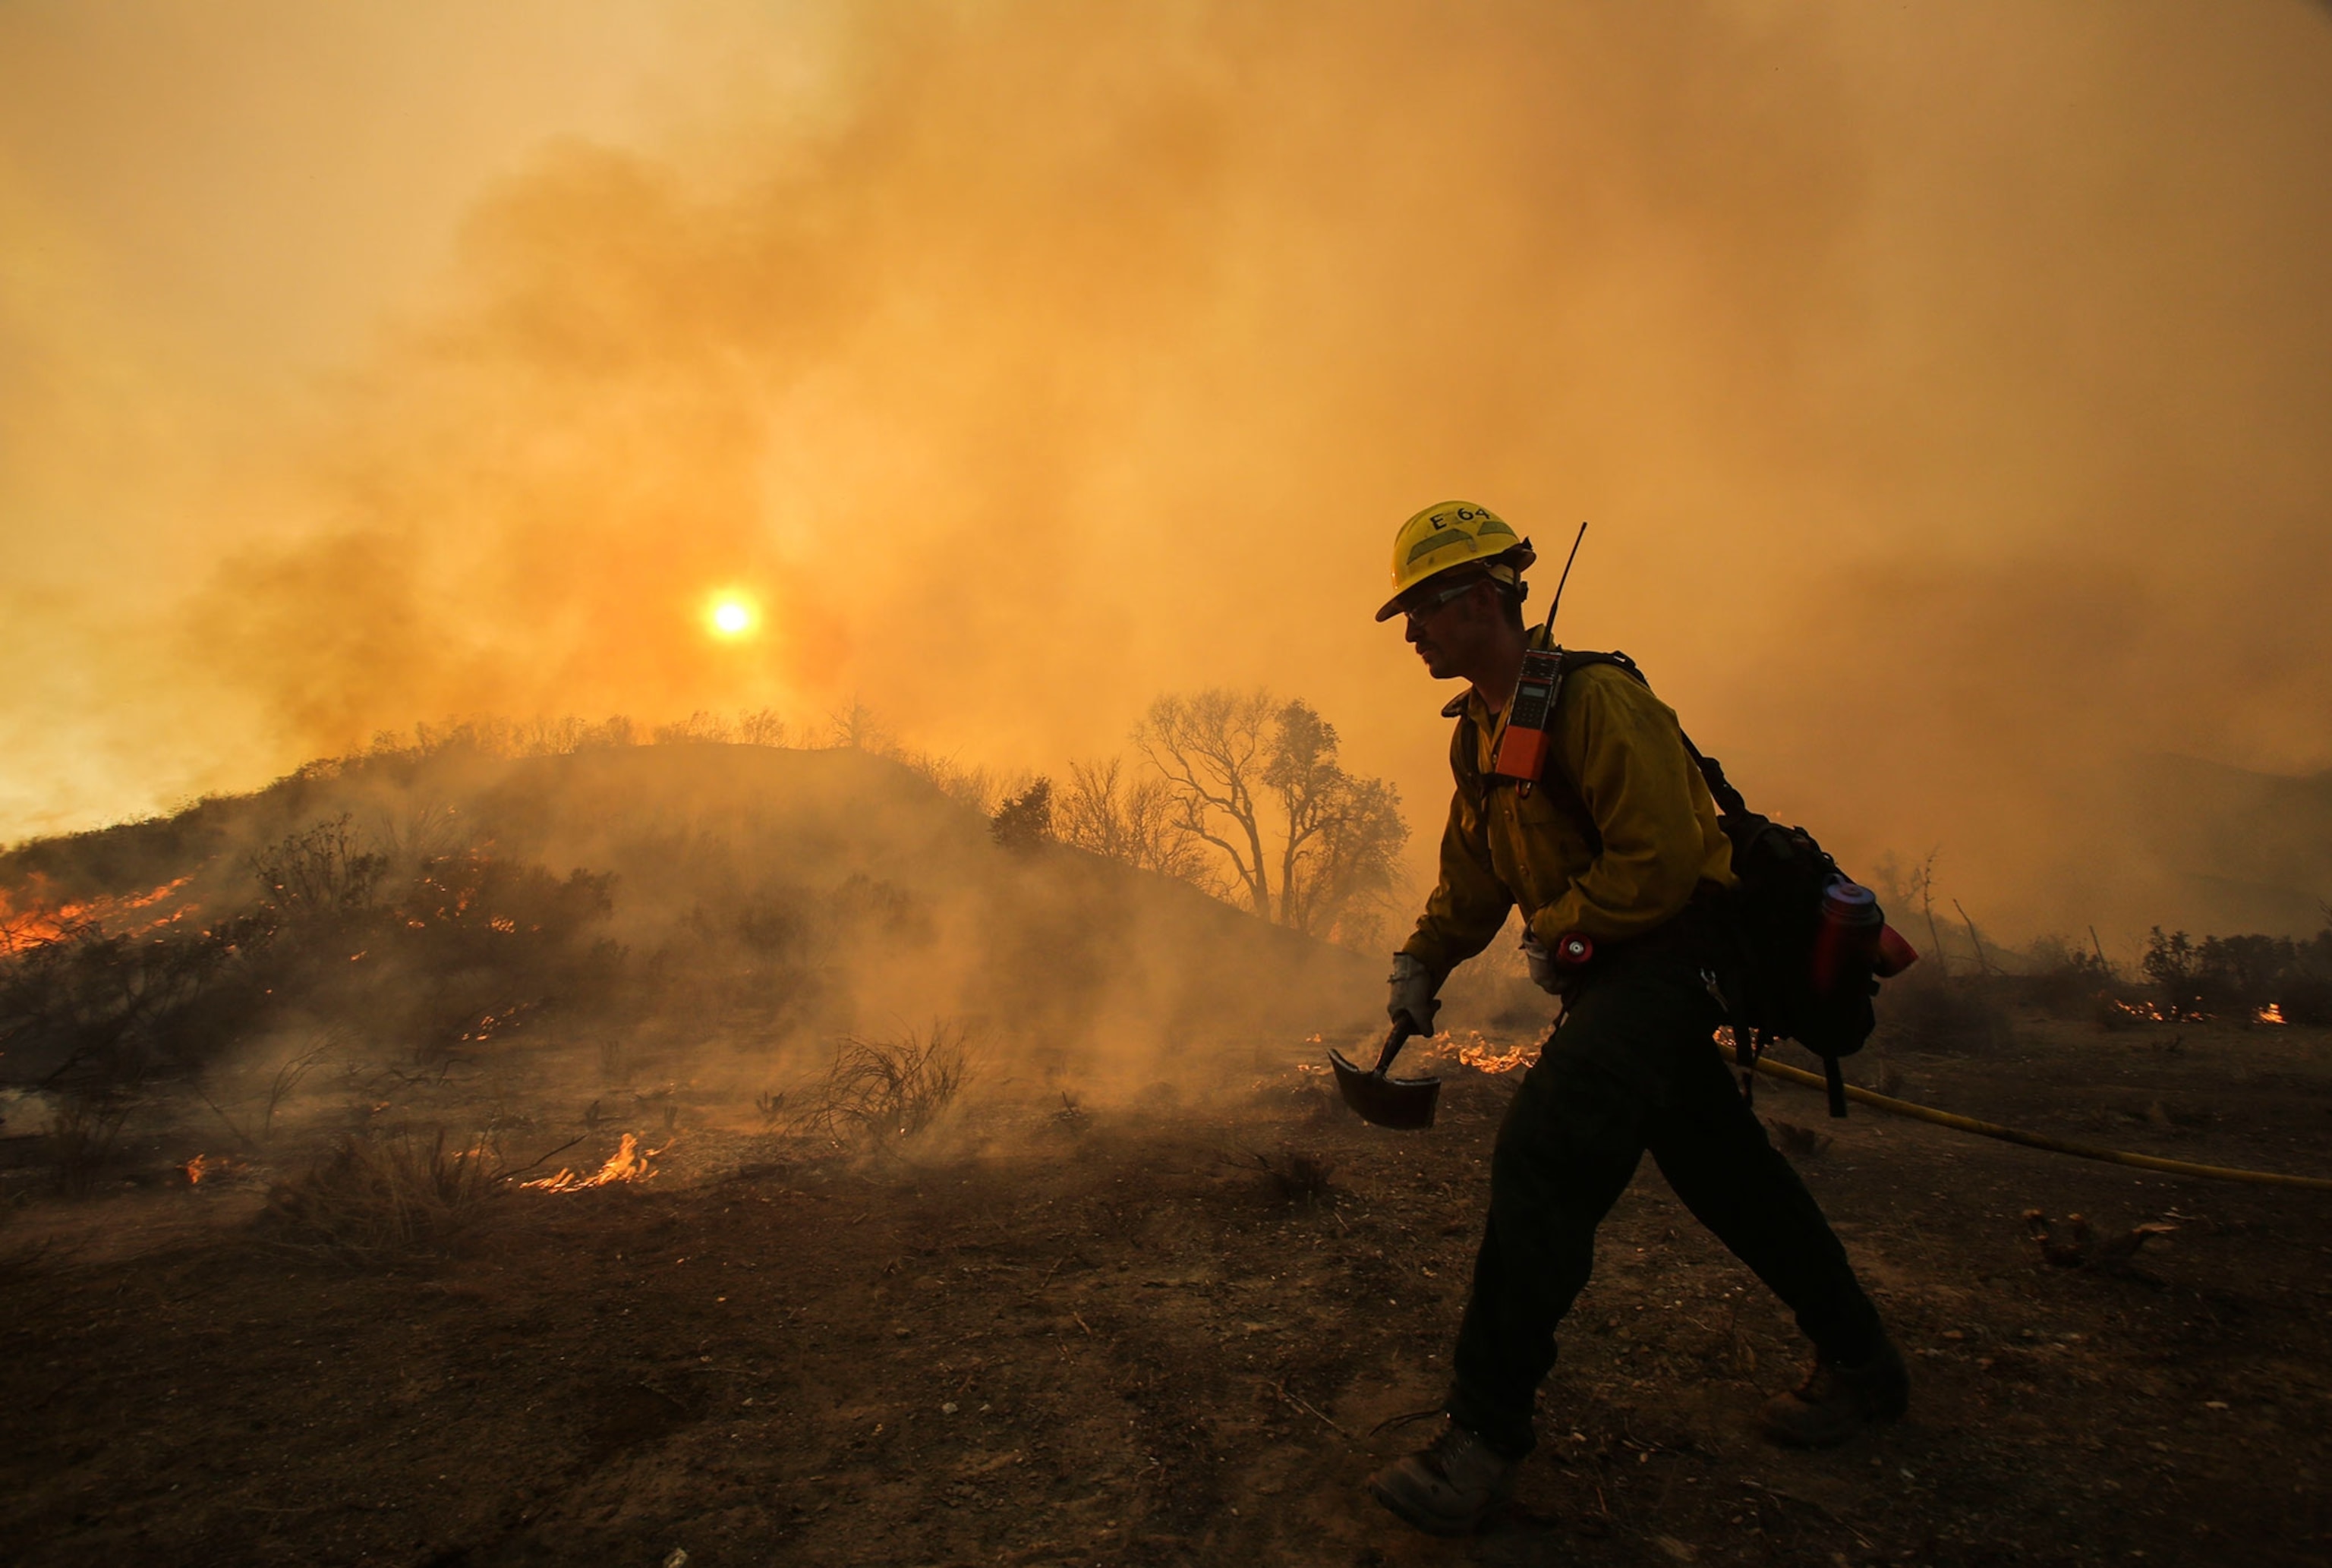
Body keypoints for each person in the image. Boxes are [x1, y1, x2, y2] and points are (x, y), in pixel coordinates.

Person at [1362, 501, 1907, 1538]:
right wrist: (1423, 960)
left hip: (1669, 960)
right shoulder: (1483, 731)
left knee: (1544, 1154)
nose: (1410, 632)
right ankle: (1862, 1360)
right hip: (1612, 976)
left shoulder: (1596, 701)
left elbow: (1660, 860)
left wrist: (1561, 927)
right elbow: (1474, 875)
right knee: (1727, 1173)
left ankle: (1479, 1440)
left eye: (1423, 608)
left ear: (1482, 598)